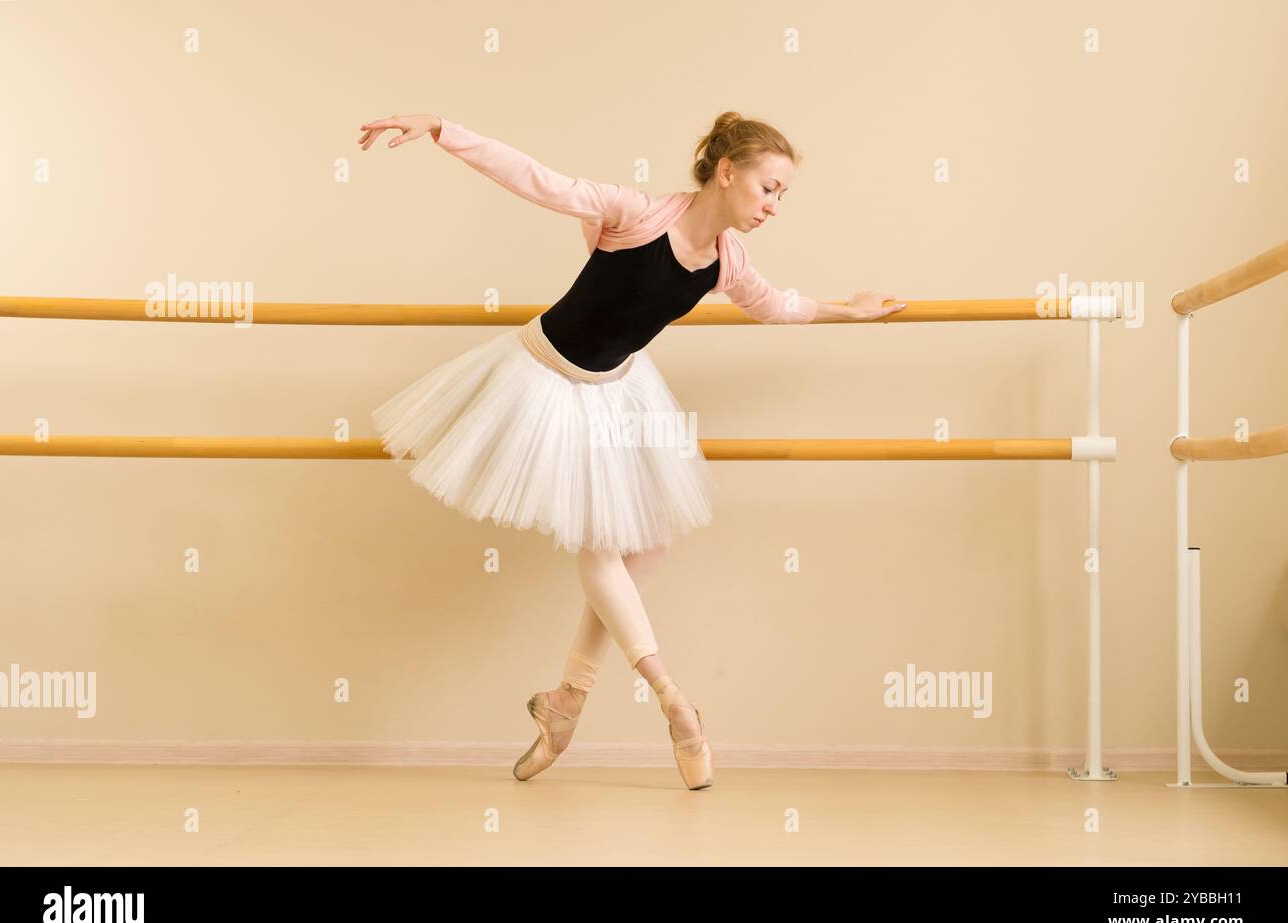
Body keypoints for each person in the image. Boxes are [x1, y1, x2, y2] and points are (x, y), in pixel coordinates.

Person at [359, 111, 905, 790]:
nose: (774, 205)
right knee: (602, 547)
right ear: (727, 172)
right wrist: (443, 129)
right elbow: (536, 180)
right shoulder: (634, 213)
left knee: (645, 544)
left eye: (782, 195)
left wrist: (850, 311)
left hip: (619, 393)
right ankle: (674, 701)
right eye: (769, 188)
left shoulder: (727, 261)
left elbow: (775, 306)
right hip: (544, 384)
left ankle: (567, 702)